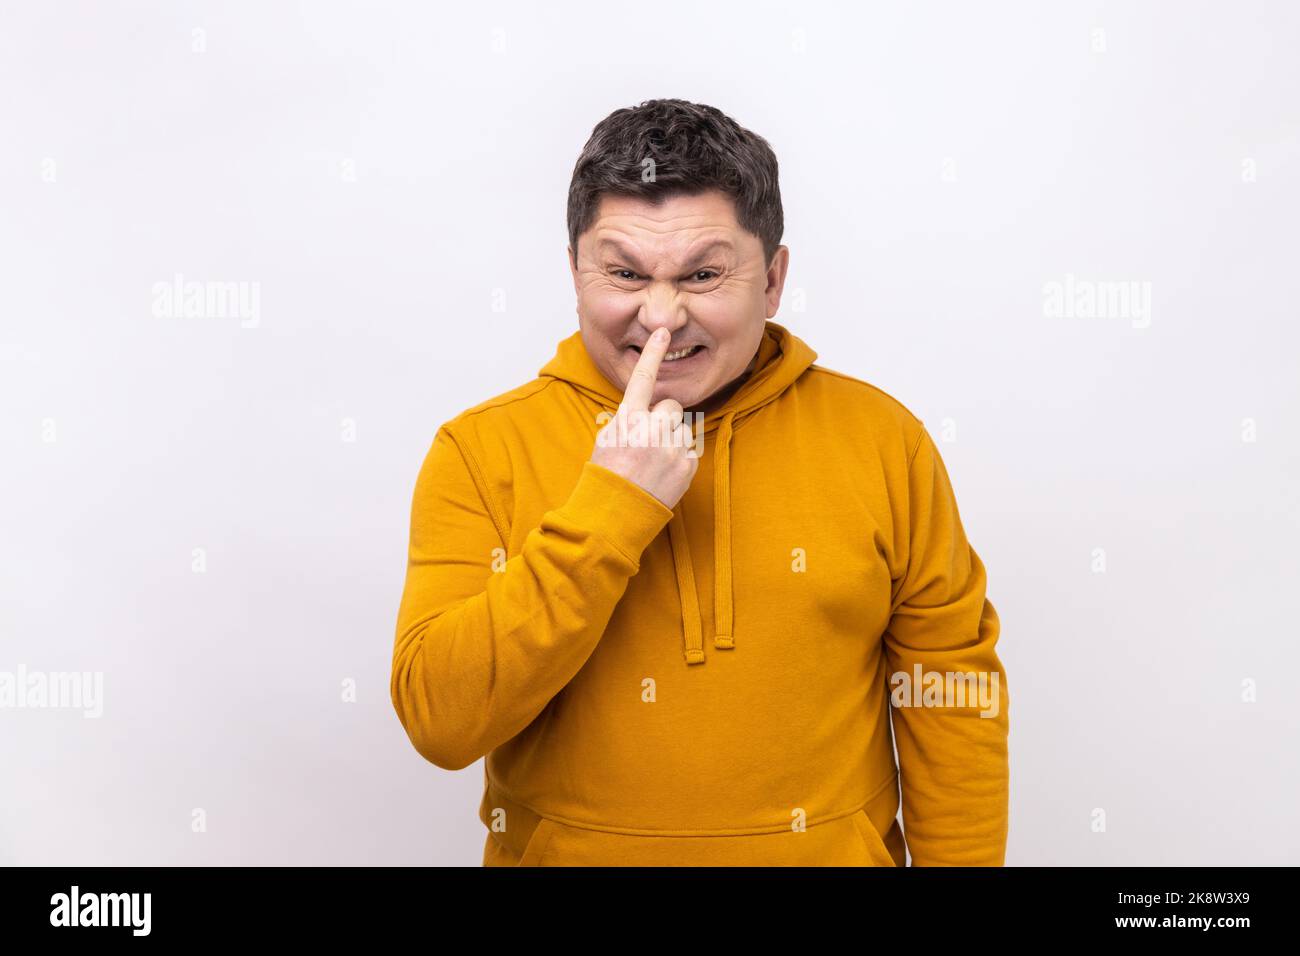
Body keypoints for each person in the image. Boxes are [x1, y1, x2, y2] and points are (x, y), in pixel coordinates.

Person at [391, 98, 1009, 866]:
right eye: (623, 272)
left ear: (773, 279)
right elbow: (440, 724)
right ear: (576, 274)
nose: (660, 316)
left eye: (703, 274)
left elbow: (951, 700)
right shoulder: (480, 449)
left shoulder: (884, 441)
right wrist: (612, 507)